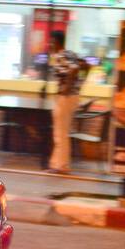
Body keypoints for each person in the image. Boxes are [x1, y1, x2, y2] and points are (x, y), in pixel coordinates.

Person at [48, 30, 84, 173]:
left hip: (66, 97)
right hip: (72, 97)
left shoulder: (61, 55)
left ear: (56, 42)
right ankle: (57, 164)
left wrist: (66, 88)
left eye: (51, 41)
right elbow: (85, 65)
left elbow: (74, 69)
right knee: (62, 132)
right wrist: (77, 86)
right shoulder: (70, 54)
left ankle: (61, 166)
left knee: (60, 132)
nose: (49, 44)